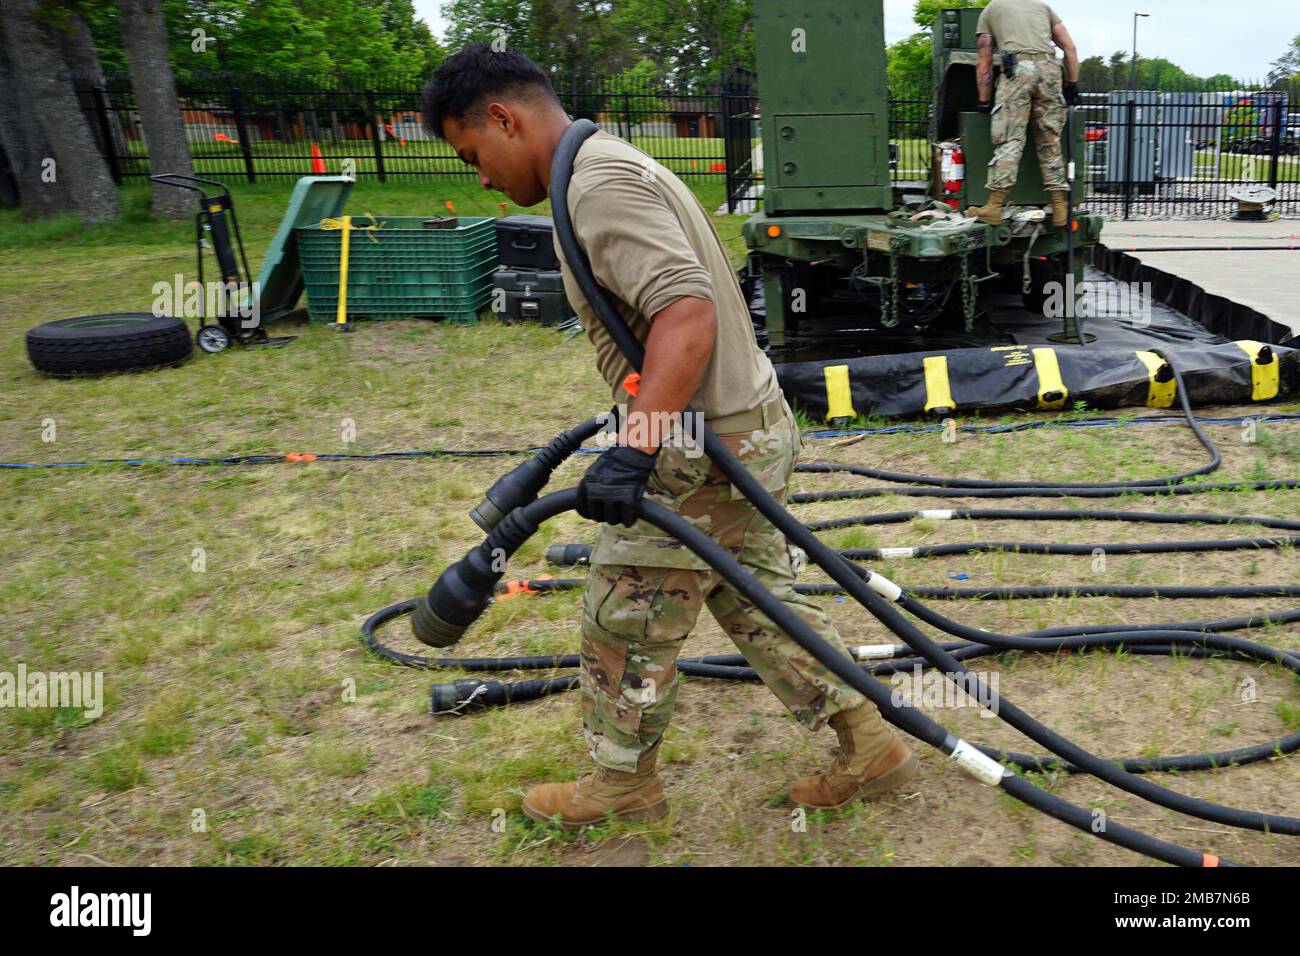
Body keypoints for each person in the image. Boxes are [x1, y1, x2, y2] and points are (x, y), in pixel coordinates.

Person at [421, 44, 919, 829]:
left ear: (502, 118)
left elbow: (686, 311)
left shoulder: (597, 184)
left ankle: (623, 787)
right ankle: (869, 746)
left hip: (704, 443)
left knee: (623, 610)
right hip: (739, 428)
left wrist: (636, 447)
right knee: (759, 605)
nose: (479, 176)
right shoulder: (599, 169)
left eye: (472, 154)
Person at [965, 0, 1081, 227]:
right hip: (1049, 69)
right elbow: (1070, 48)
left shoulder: (991, 10)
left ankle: (994, 207)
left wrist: (984, 100)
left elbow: (984, 61)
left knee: (1010, 140)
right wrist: (1072, 85)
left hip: (1017, 71)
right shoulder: (1043, 7)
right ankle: (1059, 208)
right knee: (1050, 140)